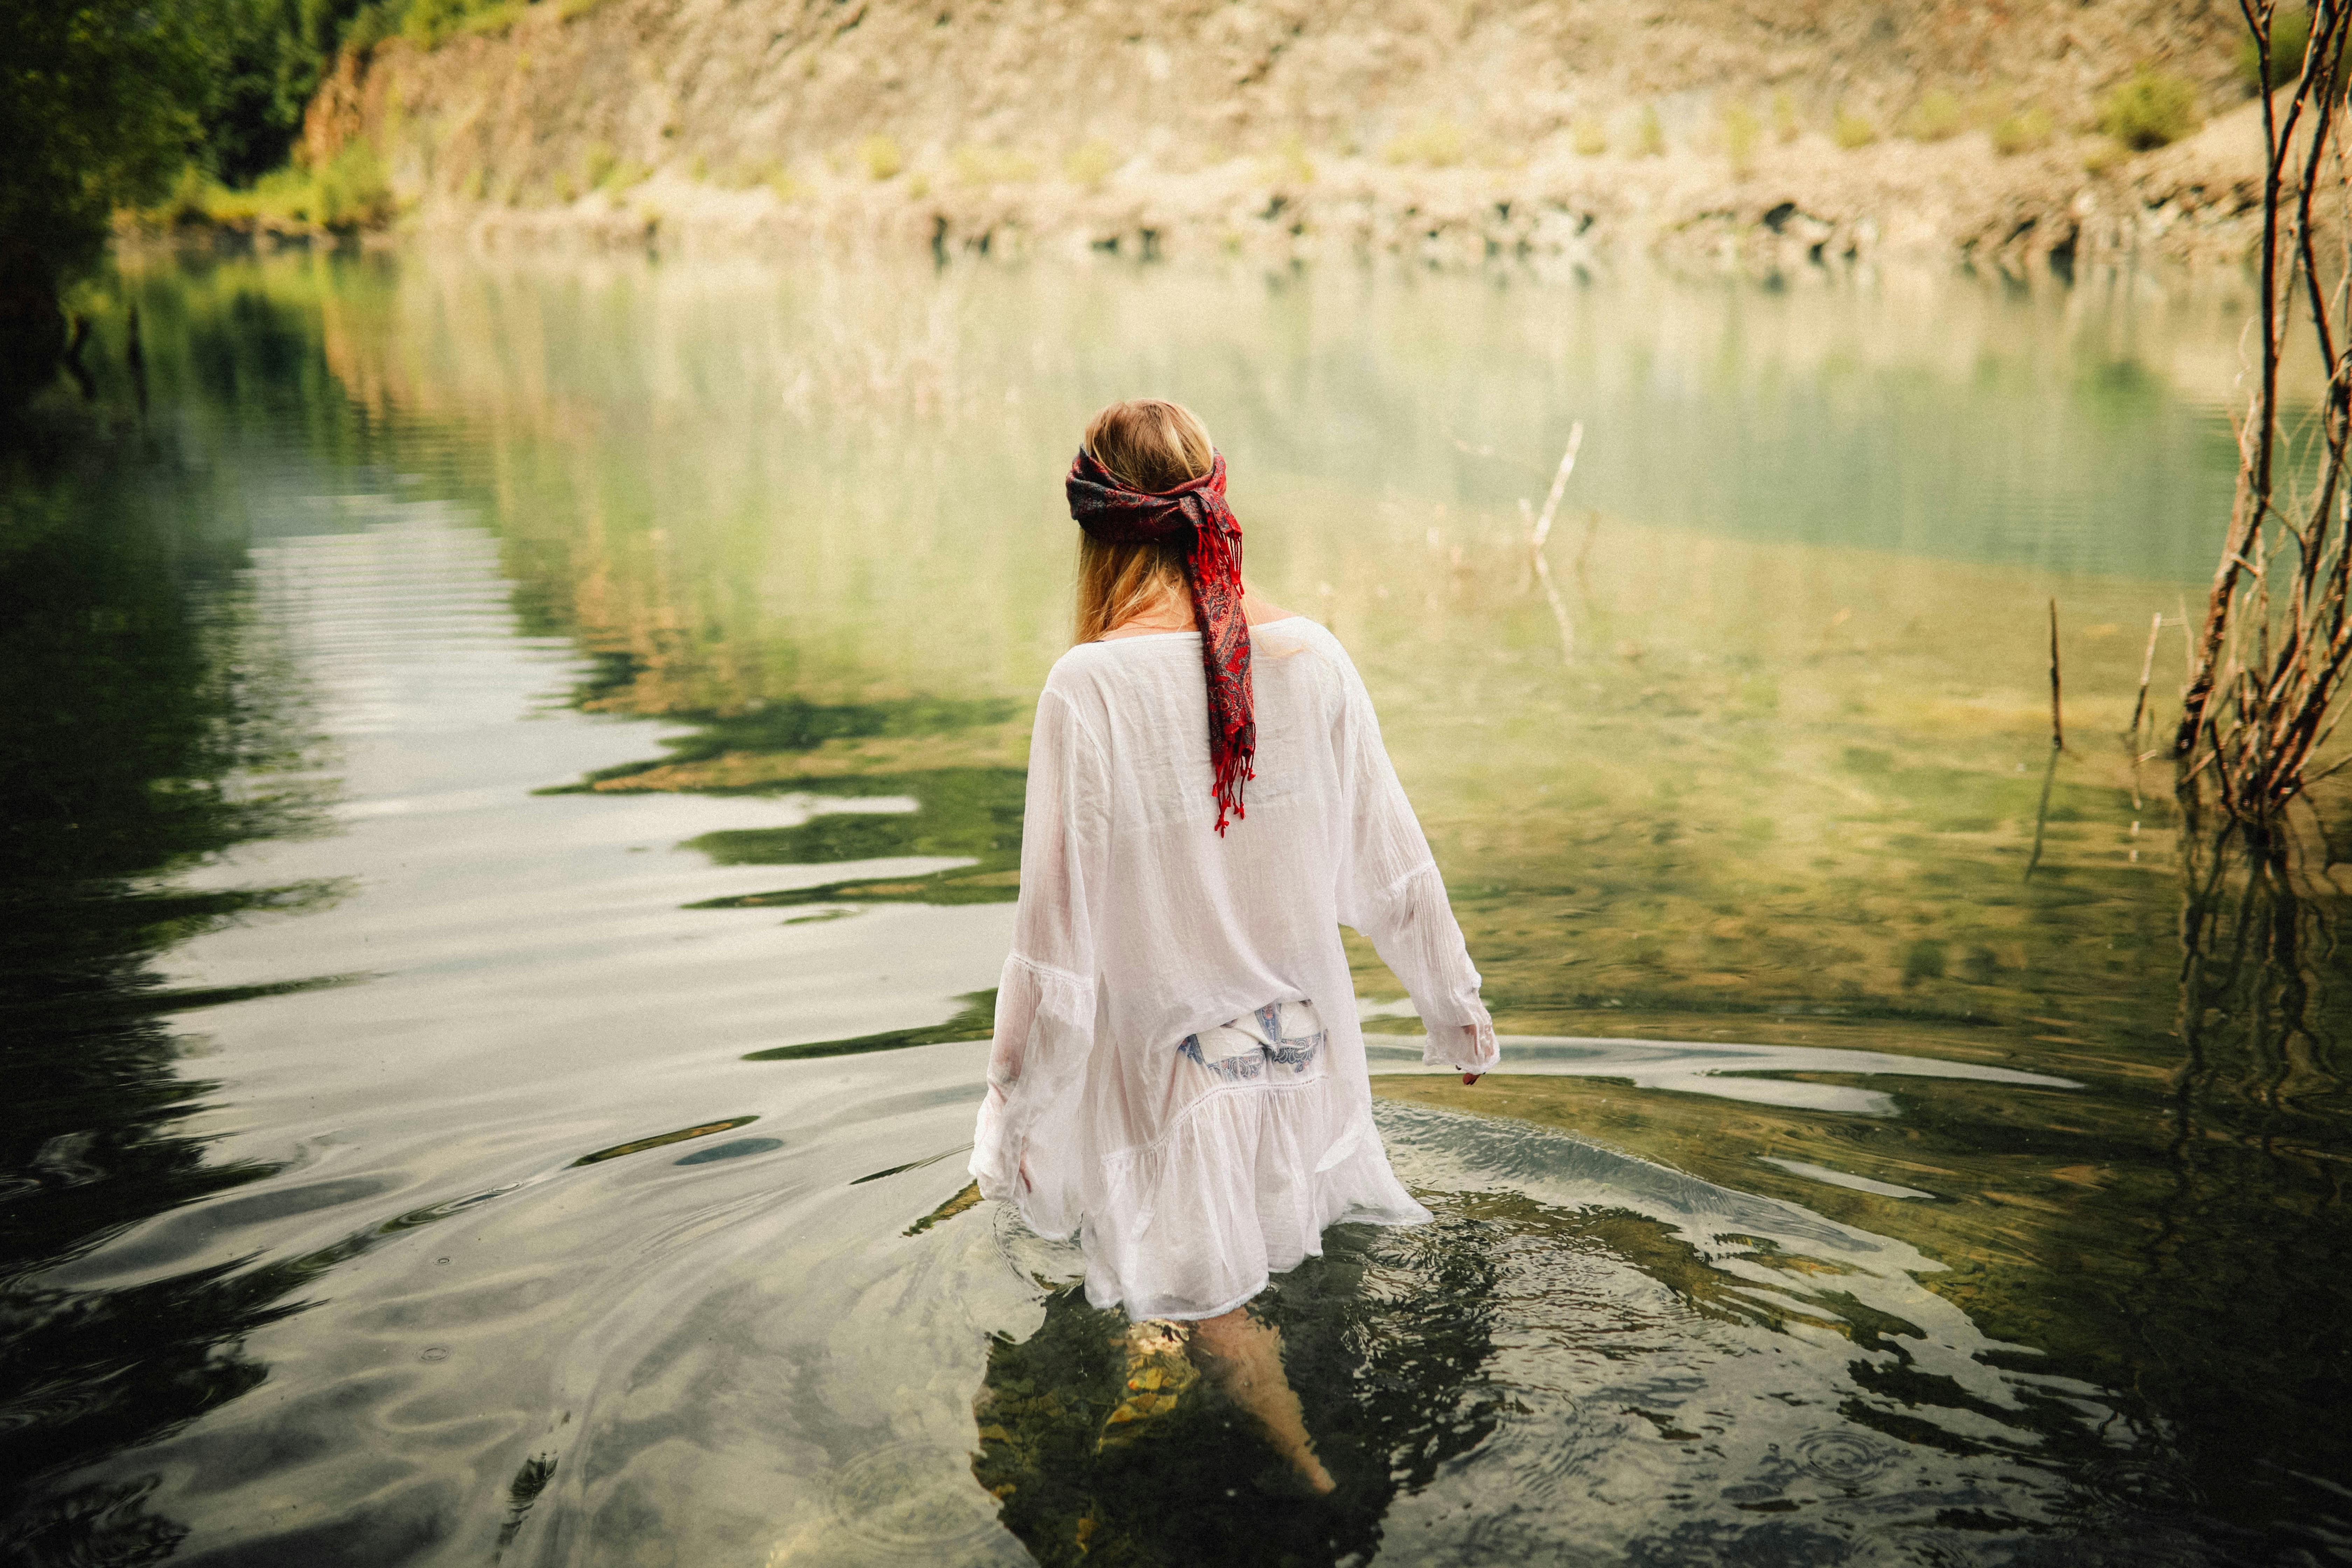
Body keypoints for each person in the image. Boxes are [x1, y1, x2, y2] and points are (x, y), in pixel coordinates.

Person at [968, 398, 1497, 1493]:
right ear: (1215, 501)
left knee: (1208, 1296)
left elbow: (1053, 949)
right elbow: (1392, 860)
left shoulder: (1090, 687)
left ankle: (1309, 1476)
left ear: (1099, 529)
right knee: (1259, 1273)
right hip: (1309, 1059)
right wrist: (1454, 1007)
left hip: (1171, 1078)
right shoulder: (1314, 655)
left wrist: (1013, 1115)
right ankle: (1260, 1420)